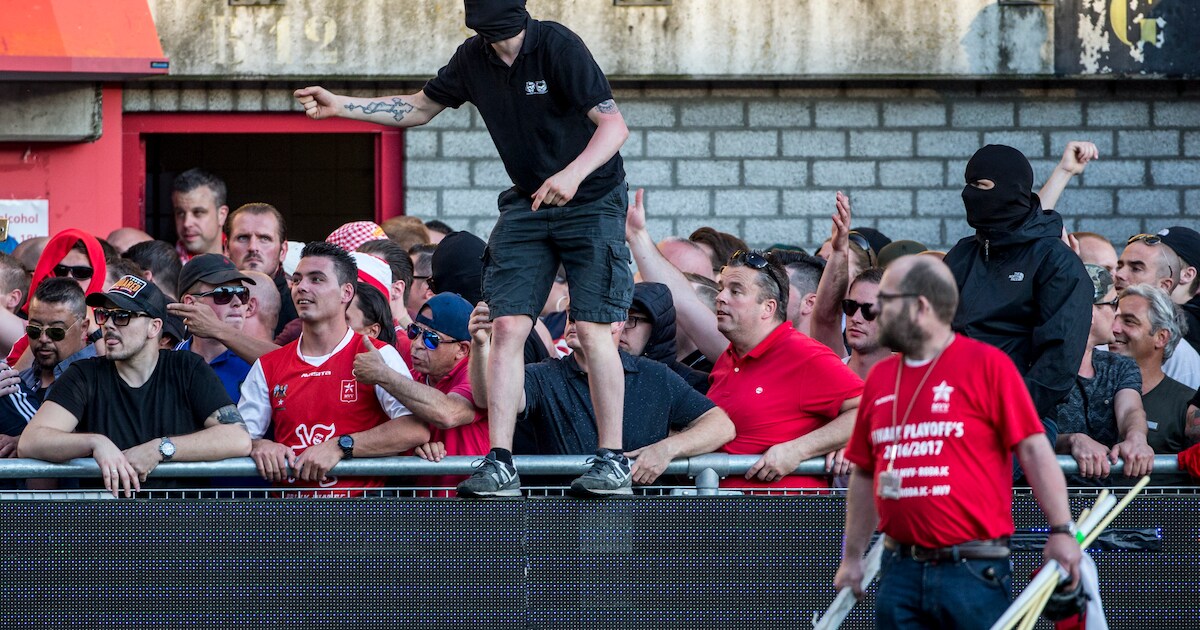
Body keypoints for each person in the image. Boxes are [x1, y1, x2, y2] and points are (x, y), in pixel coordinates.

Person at [296, 0, 634, 497]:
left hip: (593, 196)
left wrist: (572, 174)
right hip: (530, 200)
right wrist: (340, 104)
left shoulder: (557, 46)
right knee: (506, 325)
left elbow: (614, 127)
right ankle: (500, 460)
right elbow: (419, 107)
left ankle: (612, 459)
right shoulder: (473, 57)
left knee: (592, 327)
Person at [834, 255, 1081, 629]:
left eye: (886, 301)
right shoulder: (881, 378)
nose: (876, 311)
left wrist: (1062, 530)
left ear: (920, 306)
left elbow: (1034, 450)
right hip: (898, 567)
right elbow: (865, 474)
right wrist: (852, 557)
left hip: (972, 568)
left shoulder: (987, 365)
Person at [627, 190, 862, 490]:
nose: (721, 297)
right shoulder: (729, 357)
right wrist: (637, 236)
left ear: (768, 308)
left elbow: (867, 409)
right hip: (732, 513)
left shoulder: (801, 352)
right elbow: (684, 299)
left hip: (788, 515)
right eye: (721, 288)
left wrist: (799, 450)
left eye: (735, 291)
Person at [17, 275, 252, 497]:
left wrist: (160, 449)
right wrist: (95, 442)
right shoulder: (84, 374)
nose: (109, 325)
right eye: (104, 315)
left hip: (180, 520)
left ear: (154, 327)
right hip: (110, 521)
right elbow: (32, 441)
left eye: (122, 316)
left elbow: (237, 437)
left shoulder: (187, 368)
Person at [467, 302, 735, 487]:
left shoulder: (655, 375)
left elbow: (721, 425)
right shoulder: (543, 374)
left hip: (643, 522)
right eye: (571, 315)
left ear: (617, 324)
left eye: (584, 314)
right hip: (565, 522)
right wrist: (480, 346)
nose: (573, 322)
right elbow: (488, 398)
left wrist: (667, 450)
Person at [237, 242, 429, 495]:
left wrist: (341, 446)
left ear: (346, 292)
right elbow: (239, 438)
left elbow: (414, 429)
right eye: (297, 279)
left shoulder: (377, 354)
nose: (302, 287)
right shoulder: (268, 364)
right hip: (289, 513)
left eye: (317, 279)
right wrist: (259, 445)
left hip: (359, 512)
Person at [943, 144, 1092, 439]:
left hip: (1019, 419)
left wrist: (1004, 412)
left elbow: (1059, 362)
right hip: (948, 409)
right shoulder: (961, 254)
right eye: (968, 185)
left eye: (981, 185)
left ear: (1011, 190)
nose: (969, 194)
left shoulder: (1056, 262)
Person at [352, 292, 488, 493]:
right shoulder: (414, 376)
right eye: (414, 331)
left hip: (474, 504)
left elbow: (448, 413)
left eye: (431, 339)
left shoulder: (474, 375)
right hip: (425, 504)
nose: (416, 344)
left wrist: (384, 374)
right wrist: (417, 448)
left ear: (461, 349)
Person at [1055, 265, 1155, 481]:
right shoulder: (1035, 369)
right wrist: (1070, 440)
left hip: (1106, 498)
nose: (1118, 312)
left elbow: (1130, 410)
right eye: (1113, 303)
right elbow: (1019, 435)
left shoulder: (1119, 366)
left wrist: (1137, 437)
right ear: (1089, 311)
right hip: (1040, 498)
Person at [0, 279, 93, 475]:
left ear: (84, 327)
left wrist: (30, 443)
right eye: (34, 330)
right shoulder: (16, 380)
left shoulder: (100, 375)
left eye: (56, 332)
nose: (43, 339)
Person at [1109, 284, 1193, 458]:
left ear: (1161, 337)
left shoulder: (1187, 405)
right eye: (1113, 318)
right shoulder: (1087, 389)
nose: (1114, 328)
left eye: (1129, 321)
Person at [1114, 232, 1200, 389]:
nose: (1118, 274)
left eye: (1136, 268)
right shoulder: (1096, 327)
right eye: (1119, 266)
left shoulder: (1181, 355)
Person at [174, 254, 256, 403]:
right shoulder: (170, 362)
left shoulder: (257, 363)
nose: (237, 302)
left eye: (242, 294)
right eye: (223, 293)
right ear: (190, 303)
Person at [224, 202, 298, 337]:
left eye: (264, 238)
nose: (253, 247)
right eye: (243, 238)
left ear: (283, 251)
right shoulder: (209, 302)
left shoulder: (299, 309)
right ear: (226, 248)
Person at [620, 282, 708, 393]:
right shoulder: (602, 370)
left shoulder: (691, 385)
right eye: (618, 318)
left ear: (657, 327)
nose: (620, 328)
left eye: (632, 319)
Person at [843, 268, 891, 381]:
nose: (855, 318)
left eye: (869, 311)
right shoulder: (829, 376)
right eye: (851, 306)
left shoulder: (910, 383)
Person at [172, 168, 228, 262]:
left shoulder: (244, 260)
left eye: (198, 212)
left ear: (221, 215)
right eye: (180, 213)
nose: (187, 223)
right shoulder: (162, 268)